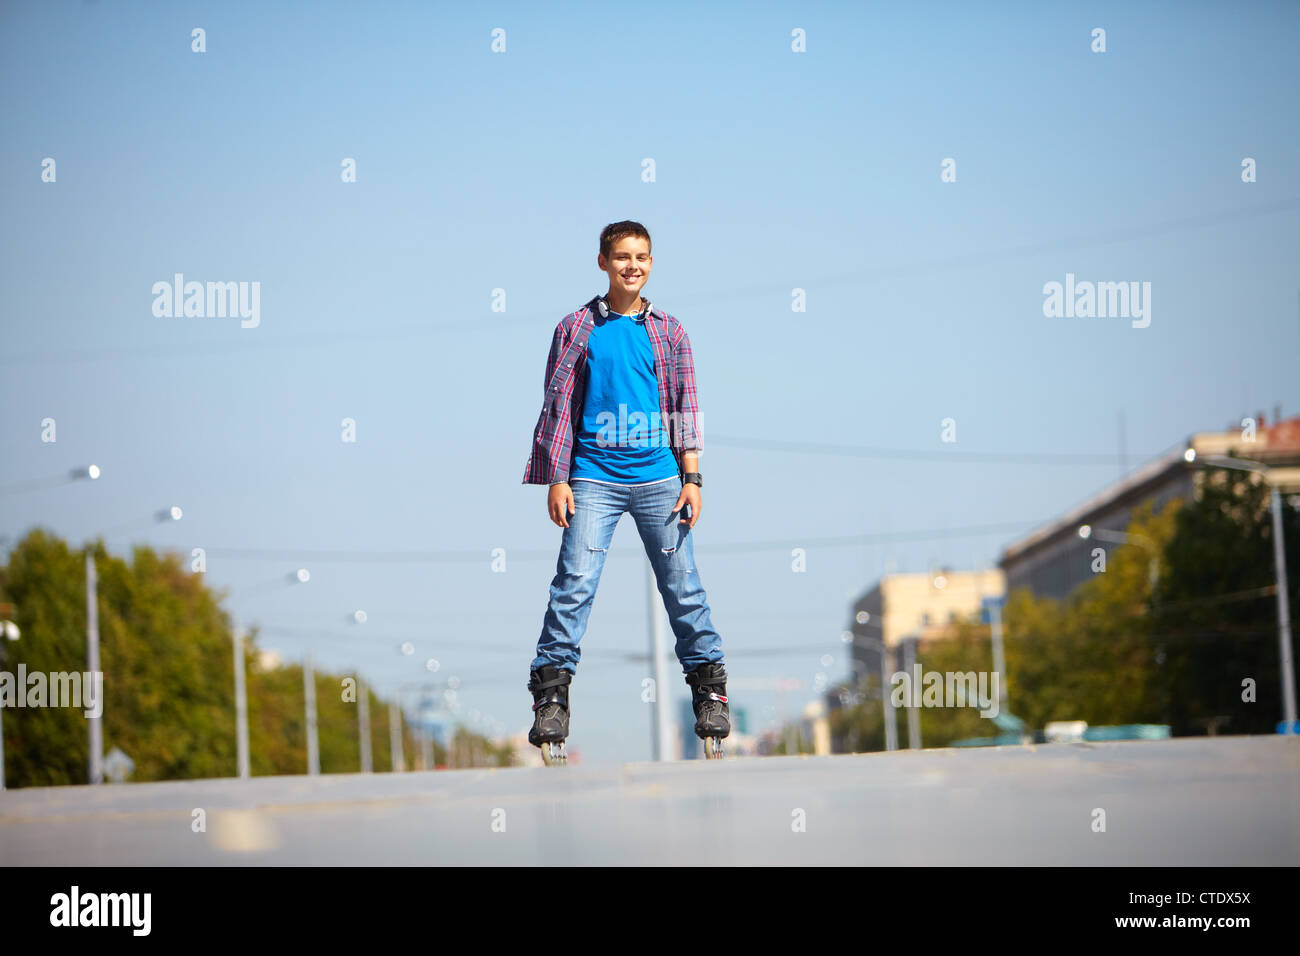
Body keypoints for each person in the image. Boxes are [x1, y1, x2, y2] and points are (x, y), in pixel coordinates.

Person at [521, 220, 730, 761]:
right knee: (574, 585)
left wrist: (693, 478)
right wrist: (557, 479)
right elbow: (559, 406)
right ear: (602, 262)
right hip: (592, 477)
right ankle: (552, 699)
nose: (631, 266)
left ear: (652, 263)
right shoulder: (575, 328)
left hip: (661, 478)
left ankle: (709, 691)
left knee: (683, 587)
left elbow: (685, 405)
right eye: (621, 257)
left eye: (641, 257)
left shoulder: (669, 331)